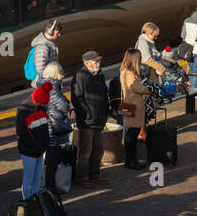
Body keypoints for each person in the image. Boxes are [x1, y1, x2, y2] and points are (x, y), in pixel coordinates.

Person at [72, 51, 110, 187]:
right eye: (96, 62)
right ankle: (82, 177)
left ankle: (94, 174)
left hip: (99, 119)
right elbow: (77, 98)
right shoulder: (80, 75)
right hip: (87, 121)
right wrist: (87, 113)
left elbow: (104, 94)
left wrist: (107, 110)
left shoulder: (99, 75)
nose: (98, 64)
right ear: (87, 63)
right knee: (85, 151)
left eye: (99, 61)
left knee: (98, 149)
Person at [15, 82, 52, 199]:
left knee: (36, 177)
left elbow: (45, 129)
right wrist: (37, 146)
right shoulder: (23, 110)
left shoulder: (41, 108)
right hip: (29, 151)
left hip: (39, 150)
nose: (42, 105)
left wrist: (44, 145)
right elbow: (22, 133)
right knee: (29, 178)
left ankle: (36, 199)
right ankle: (27, 201)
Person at [41, 63, 74, 194]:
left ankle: (49, 184)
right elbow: (64, 106)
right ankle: (50, 186)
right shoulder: (52, 88)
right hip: (53, 127)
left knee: (50, 158)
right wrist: (66, 102)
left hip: (49, 125)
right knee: (52, 159)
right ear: (55, 73)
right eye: (61, 72)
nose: (63, 75)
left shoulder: (45, 85)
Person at [119, 49, 152, 171]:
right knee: (132, 135)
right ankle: (131, 161)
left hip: (133, 105)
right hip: (134, 107)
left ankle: (132, 160)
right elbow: (135, 87)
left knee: (132, 134)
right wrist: (147, 89)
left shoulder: (127, 71)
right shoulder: (129, 73)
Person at [30, 20, 61, 84]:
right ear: (50, 32)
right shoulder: (42, 48)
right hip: (45, 84)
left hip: (49, 82)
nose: (59, 35)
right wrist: (52, 78)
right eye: (57, 33)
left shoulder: (50, 43)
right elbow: (40, 69)